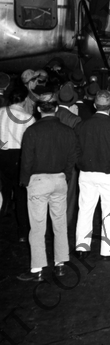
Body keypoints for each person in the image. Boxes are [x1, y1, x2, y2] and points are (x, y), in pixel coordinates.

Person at [17, 91, 78, 281]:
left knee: (37, 226)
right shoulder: (68, 131)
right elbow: (72, 158)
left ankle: (37, 268)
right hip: (59, 180)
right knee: (59, 223)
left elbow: (26, 161)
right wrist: (65, 176)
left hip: (38, 181)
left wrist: (25, 180)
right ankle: (60, 264)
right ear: (57, 108)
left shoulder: (32, 131)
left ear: (38, 109)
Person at [74, 90, 110, 259]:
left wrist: (81, 165)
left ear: (94, 105)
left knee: (85, 210)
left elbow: (75, 151)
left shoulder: (81, 125)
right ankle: (108, 250)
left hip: (86, 173)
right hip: (109, 174)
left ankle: (82, 247)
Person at [0, 87, 36, 242]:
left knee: (3, 192)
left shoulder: (0, 112)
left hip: (1, 154)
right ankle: (23, 233)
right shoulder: (28, 118)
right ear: (24, 99)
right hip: (19, 157)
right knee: (21, 195)